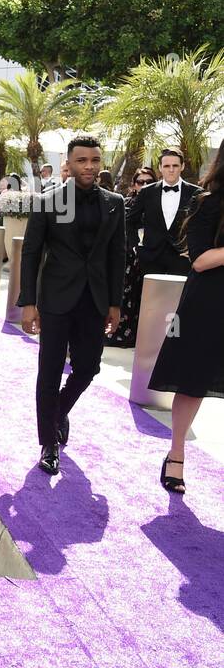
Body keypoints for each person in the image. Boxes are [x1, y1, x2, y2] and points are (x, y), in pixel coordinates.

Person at [17, 134, 125, 475]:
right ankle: (49, 444)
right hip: (55, 298)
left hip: (94, 299)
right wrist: (28, 303)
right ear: (69, 163)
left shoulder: (114, 202)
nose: (89, 167)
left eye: (94, 160)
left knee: (89, 367)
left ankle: (58, 410)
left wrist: (115, 303)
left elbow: (116, 255)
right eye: (82, 161)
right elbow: (32, 253)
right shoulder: (48, 201)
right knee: (48, 371)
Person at [147, 153, 224, 493]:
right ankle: (176, 452)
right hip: (208, 304)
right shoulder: (209, 203)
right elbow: (200, 259)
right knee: (194, 383)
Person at [127, 148, 201, 277]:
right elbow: (130, 221)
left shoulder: (196, 193)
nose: (171, 170)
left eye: (175, 165)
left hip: (182, 259)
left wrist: (194, 250)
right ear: (160, 168)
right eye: (167, 166)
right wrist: (136, 248)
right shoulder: (146, 192)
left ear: (182, 166)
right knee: (151, 297)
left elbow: (202, 224)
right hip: (150, 258)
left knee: (178, 297)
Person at [106, 166, 155, 348]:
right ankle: (117, 333)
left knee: (142, 297)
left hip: (150, 257)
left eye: (149, 182)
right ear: (134, 185)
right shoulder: (125, 203)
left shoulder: (159, 203)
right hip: (128, 255)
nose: (144, 185)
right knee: (125, 295)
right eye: (140, 182)